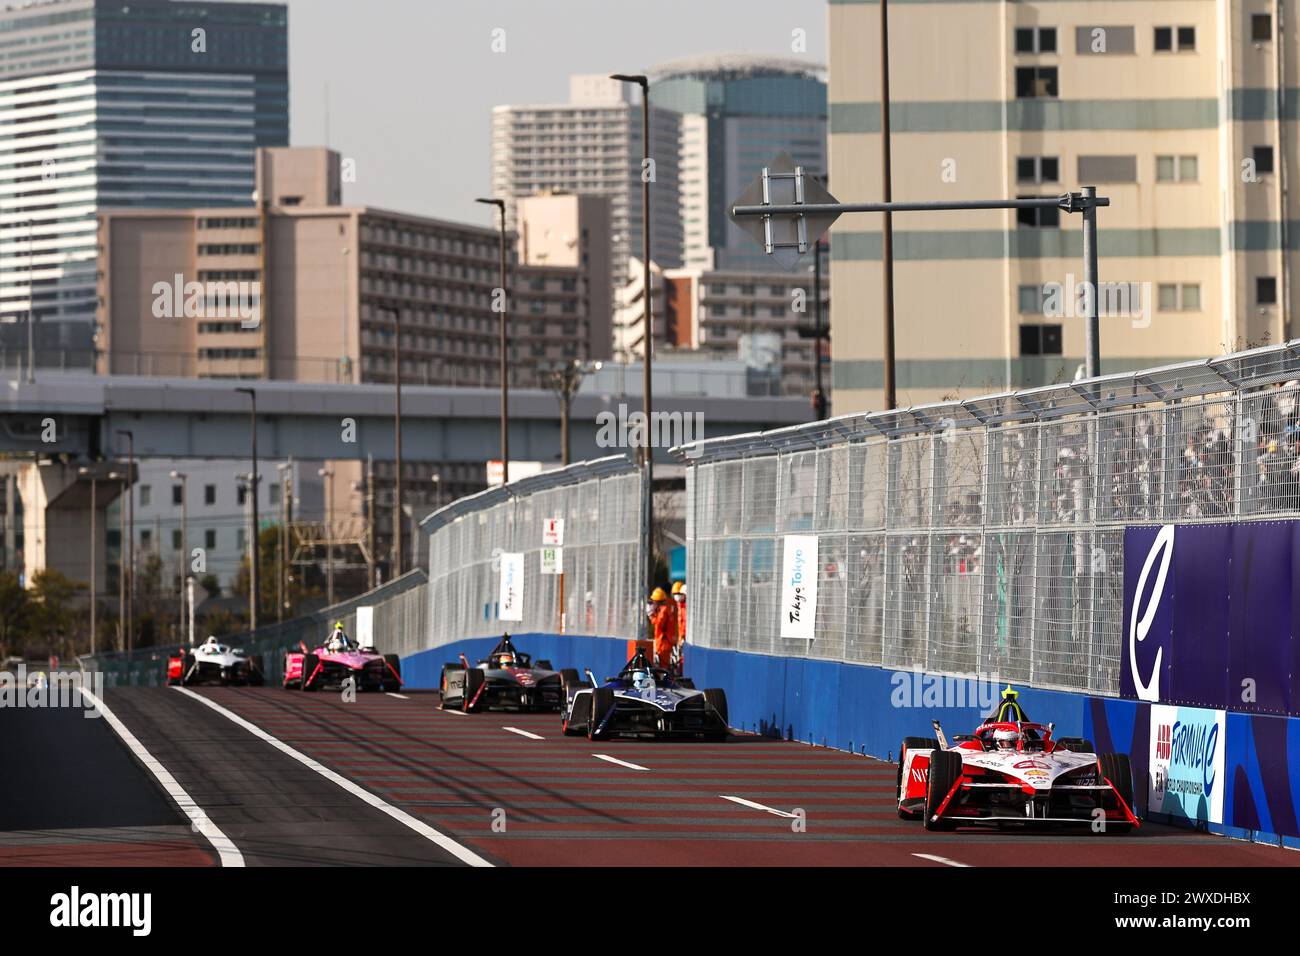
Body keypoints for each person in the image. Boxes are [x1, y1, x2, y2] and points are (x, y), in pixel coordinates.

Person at [648, 587, 677, 670]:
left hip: (664, 643)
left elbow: (659, 624)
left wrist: (652, 616)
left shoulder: (663, 611)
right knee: (661, 666)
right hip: (663, 642)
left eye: (654, 602)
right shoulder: (664, 609)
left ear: (657, 601)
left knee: (663, 668)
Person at [671, 581, 687, 674]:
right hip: (680, 638)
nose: (677, 596)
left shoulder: (685, 607)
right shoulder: (679, 606)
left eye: (679, 594)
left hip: (684, 638)